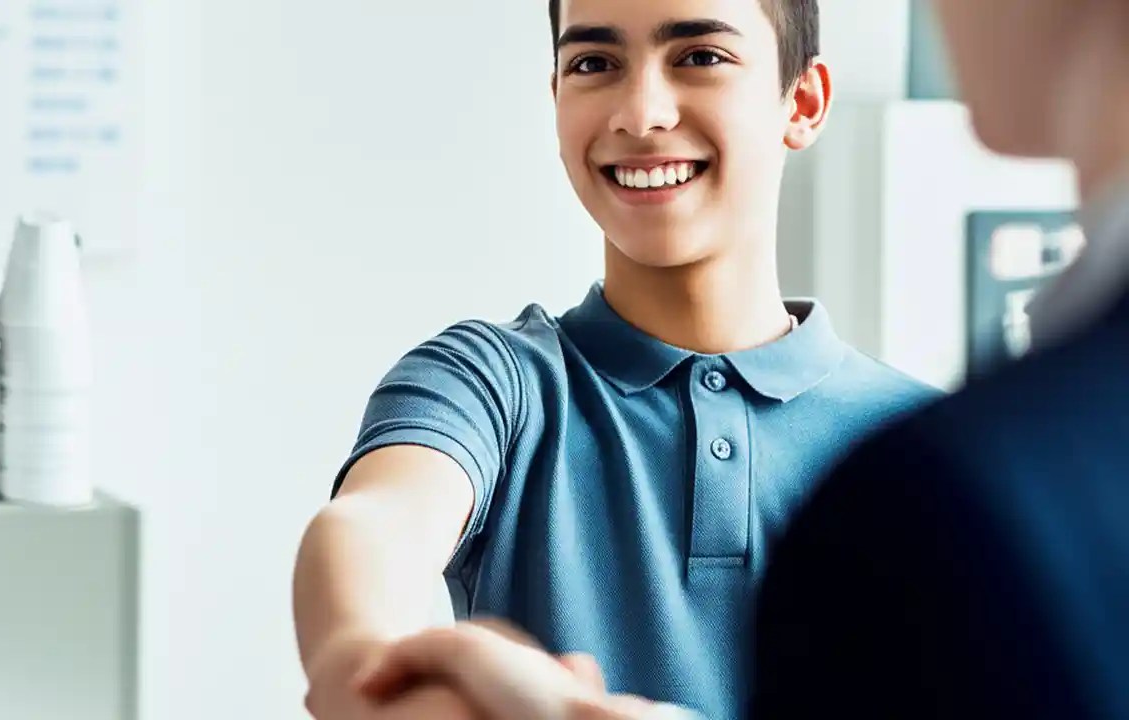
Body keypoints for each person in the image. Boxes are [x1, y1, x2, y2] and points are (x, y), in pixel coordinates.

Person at [347, 0, 1129, 718]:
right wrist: (361, 661)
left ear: (804, 101)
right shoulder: (494, 384)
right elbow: (374, 526)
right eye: (593, 64)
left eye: (699, 57)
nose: (641, 112)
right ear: (555, 96)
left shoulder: (933, 458)